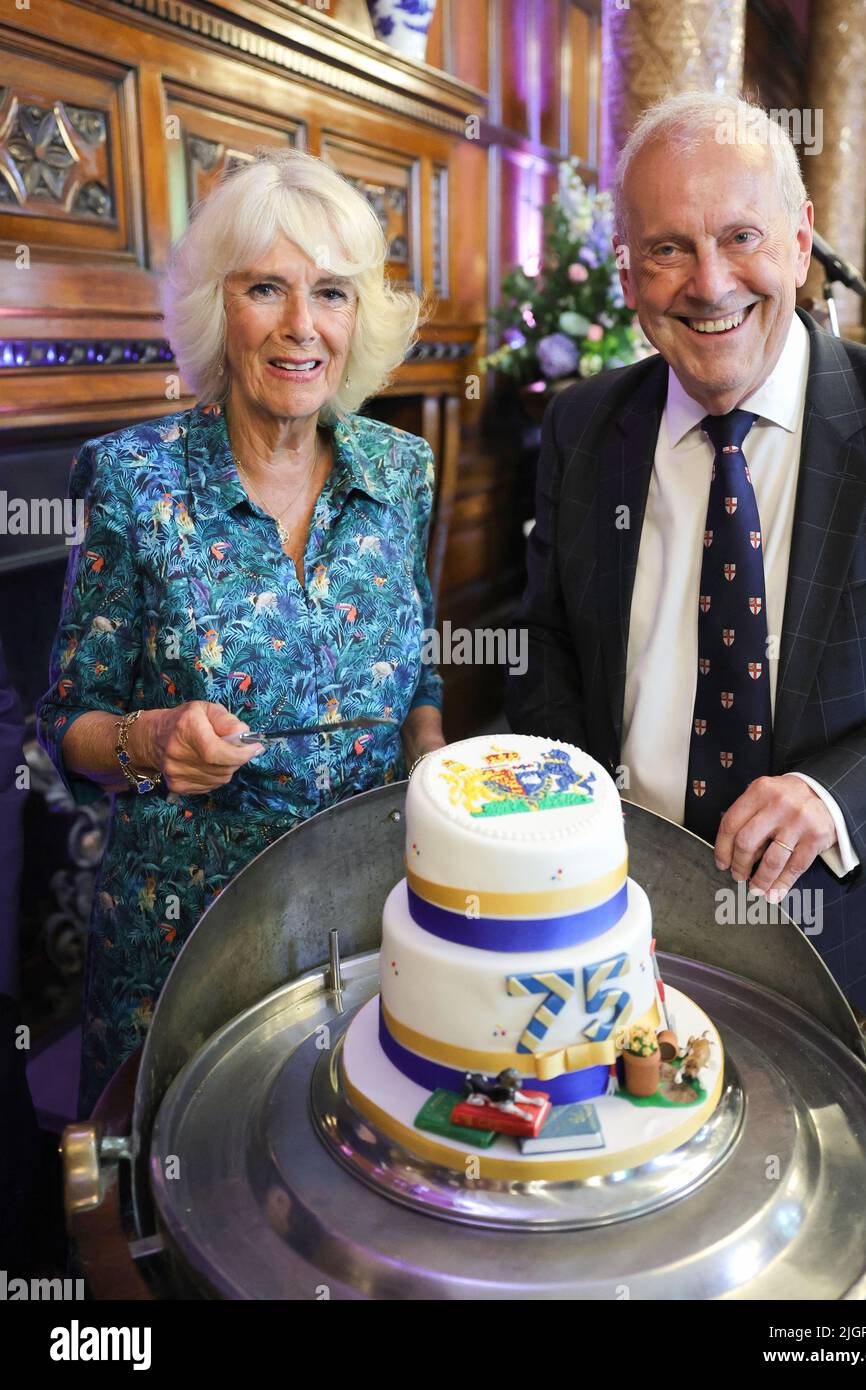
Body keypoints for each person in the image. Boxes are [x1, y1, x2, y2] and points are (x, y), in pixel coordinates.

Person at [506, 91, 866, 1019]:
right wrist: (568, 816)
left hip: (838, 943)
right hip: (608, 925)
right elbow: (545, 638)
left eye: (741, 236)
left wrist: (833, 798)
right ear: (628, 273)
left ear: (799, 240)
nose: (709, 285)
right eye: (669, 249)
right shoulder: (584, 428)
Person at [38, 149, 445, 1116]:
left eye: (333, 295)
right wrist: (149, 741)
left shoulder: (401, 473)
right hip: (187, 947)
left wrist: (432, 754)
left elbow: (418, 663)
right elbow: (65, 729)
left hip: (368, 925)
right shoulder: (135, 481)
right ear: (221, 312)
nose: (303, 327)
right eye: (268, 288)